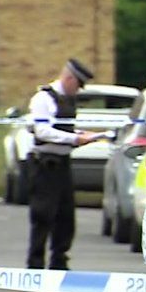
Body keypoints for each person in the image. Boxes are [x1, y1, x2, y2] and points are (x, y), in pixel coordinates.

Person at [25, 59, 100, 270]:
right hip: (44, 164)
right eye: (78, 84)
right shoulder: (43, 98)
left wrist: (82, 136)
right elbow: (43, 131)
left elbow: (63, 130)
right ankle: (35, 263)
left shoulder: (67, 99)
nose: (78, 90)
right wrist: (74, 139)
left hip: (63, 163)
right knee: (43, 215)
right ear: (69, 78)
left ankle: (59, 260)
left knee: (66, 216)